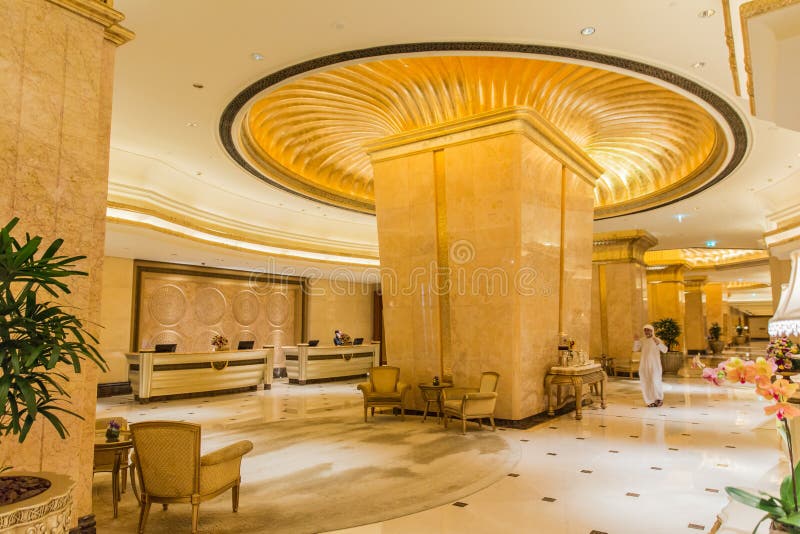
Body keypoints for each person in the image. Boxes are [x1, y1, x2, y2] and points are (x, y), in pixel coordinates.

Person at [633, 324, 667, 407]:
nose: (646, 332)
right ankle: (649, 401)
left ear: (652, 331)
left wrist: (658, 343)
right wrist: (636, 341)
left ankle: (659, 399)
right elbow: (635, 349)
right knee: (646, 382)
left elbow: (665, 350)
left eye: (648, 330)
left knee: (656, 381)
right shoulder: (642, 340)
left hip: (655, 365)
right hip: (644, 365)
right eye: (645, 330)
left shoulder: (657, 339)